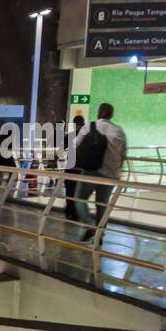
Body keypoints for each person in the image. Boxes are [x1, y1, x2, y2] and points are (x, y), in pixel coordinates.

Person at [74, 102, 126, 243]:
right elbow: (123, 154)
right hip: (111, 174)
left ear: (98, 112)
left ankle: (89, 226)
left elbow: (77, 144)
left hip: (91, 171)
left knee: (79, 198)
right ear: (111, 114)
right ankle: (100, 236)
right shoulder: (119, 131)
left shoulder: (89, 126)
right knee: (102, 205)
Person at [60, 114, 85, 221]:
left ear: (74, 125)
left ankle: (68, 211)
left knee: (69, 190)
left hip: (70, 167)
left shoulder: (70, 136)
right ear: (83, 124)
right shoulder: (86, 137)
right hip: (81, 169)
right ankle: (75, 213)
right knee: (78, 192)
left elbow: (61, 147)